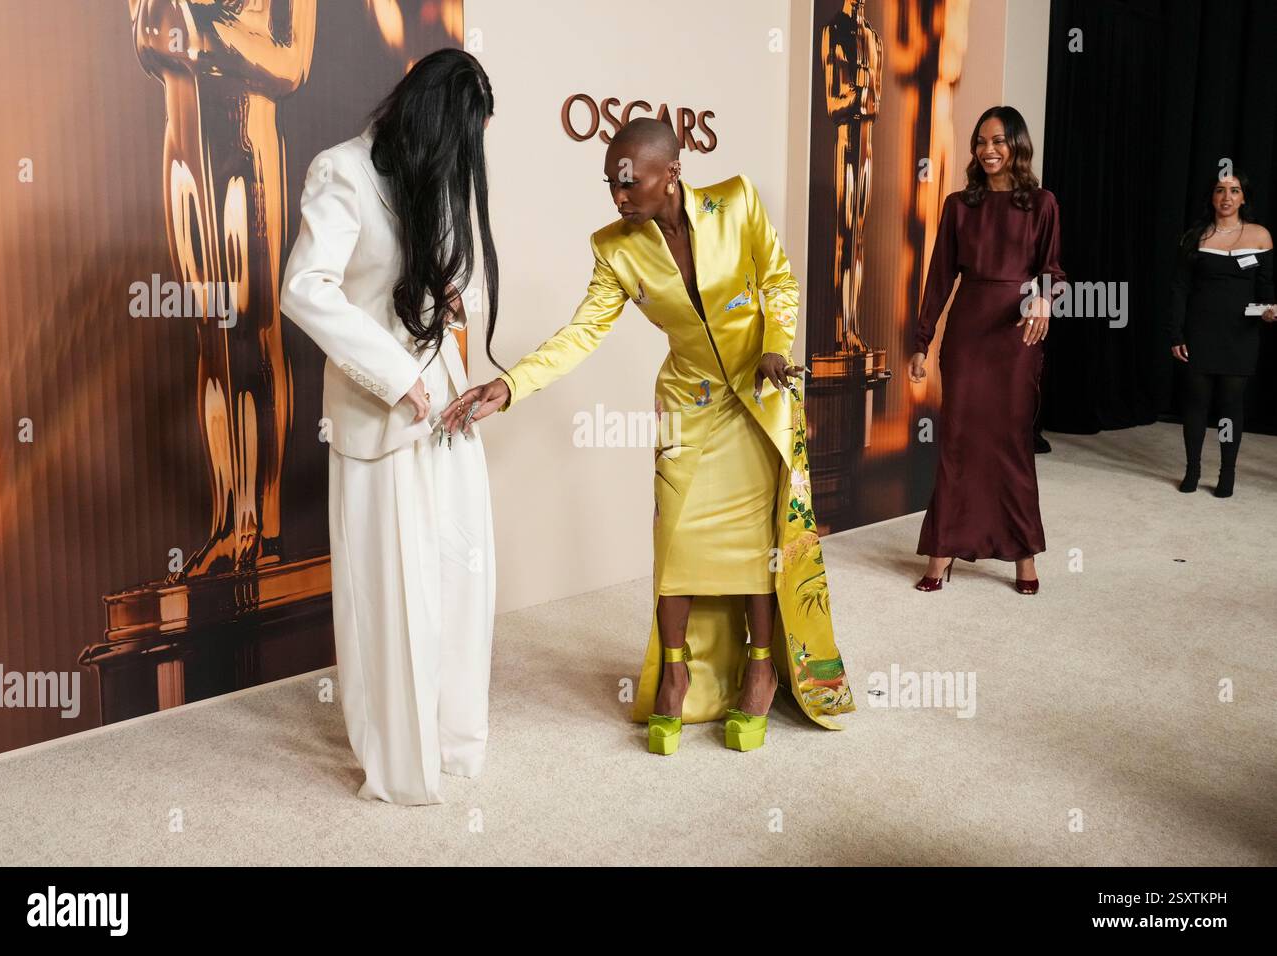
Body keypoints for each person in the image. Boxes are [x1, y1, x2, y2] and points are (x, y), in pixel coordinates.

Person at [445, 119, 857, 755]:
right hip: (688, 407)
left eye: (629, 181)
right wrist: (511, 386)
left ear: (672, 173)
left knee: (756, 548)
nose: (618, 194)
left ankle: (759, 671)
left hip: (757, 395)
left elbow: (777, 279)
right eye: (611, 183)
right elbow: (583, 332)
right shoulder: (615, 248)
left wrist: (776, 346)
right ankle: (674, 673)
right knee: (676, 548)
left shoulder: (737, 202)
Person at [279, 50, 501, 805]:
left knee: (461, 576)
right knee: (393, 593)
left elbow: (434, 272)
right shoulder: (339, 172)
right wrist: (395, 373)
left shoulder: (433, 176)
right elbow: (305, 289)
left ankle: (453, 740)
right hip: (380, 414)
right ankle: (403, 764)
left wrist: (448, 295)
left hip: (441, 406)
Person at [907, 105, 1062, 595]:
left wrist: (1043, 296)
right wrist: (922, 340)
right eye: (980, 141)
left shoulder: (1042, 203)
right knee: (957, 440)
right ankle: (942, 550)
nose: (988, 150)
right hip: (968, 333)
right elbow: (938, 277)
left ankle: (1022, 554)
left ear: (1017, 144)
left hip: (1017, 335)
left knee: (1012, 442)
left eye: (998, 140)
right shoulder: (958, 205)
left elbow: (1054, 270)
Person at [1169, 171, 1275, 498]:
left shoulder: (1260, 236)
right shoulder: (1195, 237)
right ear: (1212, 197)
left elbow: (1266, 288)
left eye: (1234, 190)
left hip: (1240, 337)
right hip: (1200, 333)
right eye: (1219, 190)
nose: (1226, 197)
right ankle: (1192, 468)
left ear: (1244, 197)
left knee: (1231, 407)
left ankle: (1226, 472)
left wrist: (1269, 310)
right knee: (1196, 404)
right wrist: (1175, 334)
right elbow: (1179, 290)